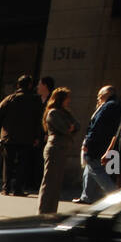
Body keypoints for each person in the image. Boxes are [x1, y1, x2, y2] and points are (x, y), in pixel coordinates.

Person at [0, 74, 43, 196]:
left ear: (18, 85)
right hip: (27, 137)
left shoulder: (11, 98)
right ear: (30, 85)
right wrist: (37, 136)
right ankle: (18, 189)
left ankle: (6, 188)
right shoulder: (35, 100)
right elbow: (39, 119)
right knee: (22, 163)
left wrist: (2, 127)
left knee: (8, 163)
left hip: (9, 136)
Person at [38, 87, 79, 215]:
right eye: (67, 98)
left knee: (56, 183)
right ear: (61, 98)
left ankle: (51, 211)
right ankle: (43, 211)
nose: (69, 101)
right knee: (49, 182)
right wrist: (70, 127)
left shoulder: (66, 112)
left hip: (62, 148)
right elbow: (64, 128)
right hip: (54, 148)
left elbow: (77, 125)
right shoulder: (53, 112)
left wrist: (71, 127)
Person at [77, 86, 121, 203]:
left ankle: (116, 195)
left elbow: (97, 126)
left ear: (106, 93)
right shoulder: (115, 105)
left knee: (96, 168)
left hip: (97, 143)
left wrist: (89, 142)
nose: (98, 97)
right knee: (89, 168)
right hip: (104, 142)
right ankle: (86, 196)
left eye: (100, 95)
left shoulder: (108, 106)